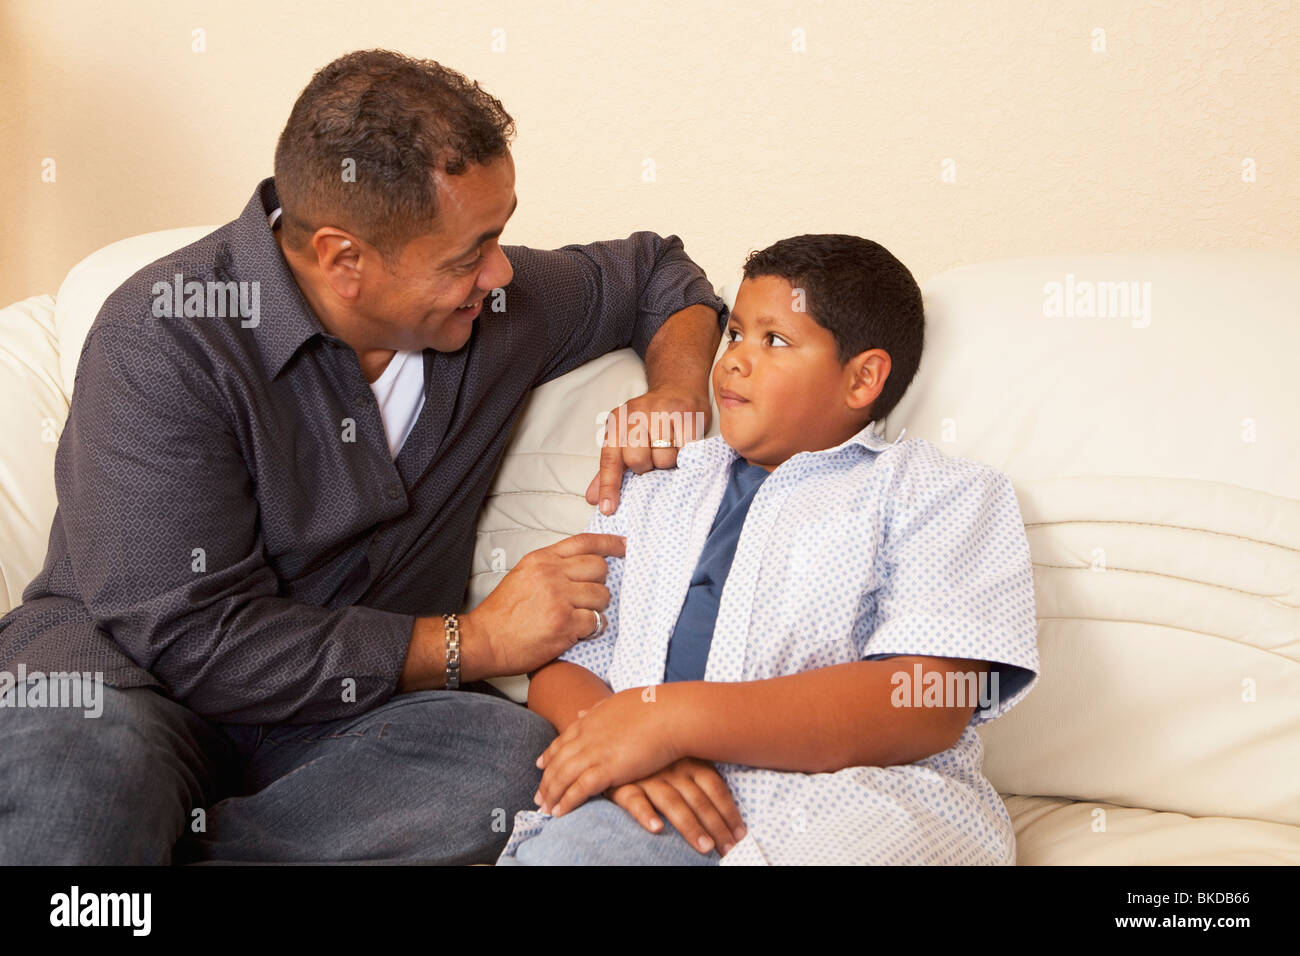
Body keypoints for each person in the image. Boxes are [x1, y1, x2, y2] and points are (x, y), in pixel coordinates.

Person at [0, 50, 729, 865]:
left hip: (350, 725)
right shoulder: (162, 339)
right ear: (345, 261)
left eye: (500, 232)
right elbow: (189, 641)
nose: (499, 271)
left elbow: (660, 274)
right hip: (125, 690)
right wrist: (472, 641)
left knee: (505, 765)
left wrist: (673, 393)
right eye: (468, 254)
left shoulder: (498, 311)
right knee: (80, 780)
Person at [496, 234, 1041, 865]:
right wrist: (614, 742)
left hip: (859, 802)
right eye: (733, 335)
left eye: (773, 340)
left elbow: (928, 700)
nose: (732, 362)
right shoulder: (657, 485)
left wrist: (669, 718)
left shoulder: (939, 493)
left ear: (863, 378)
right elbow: (566, 661)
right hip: (652, 794)